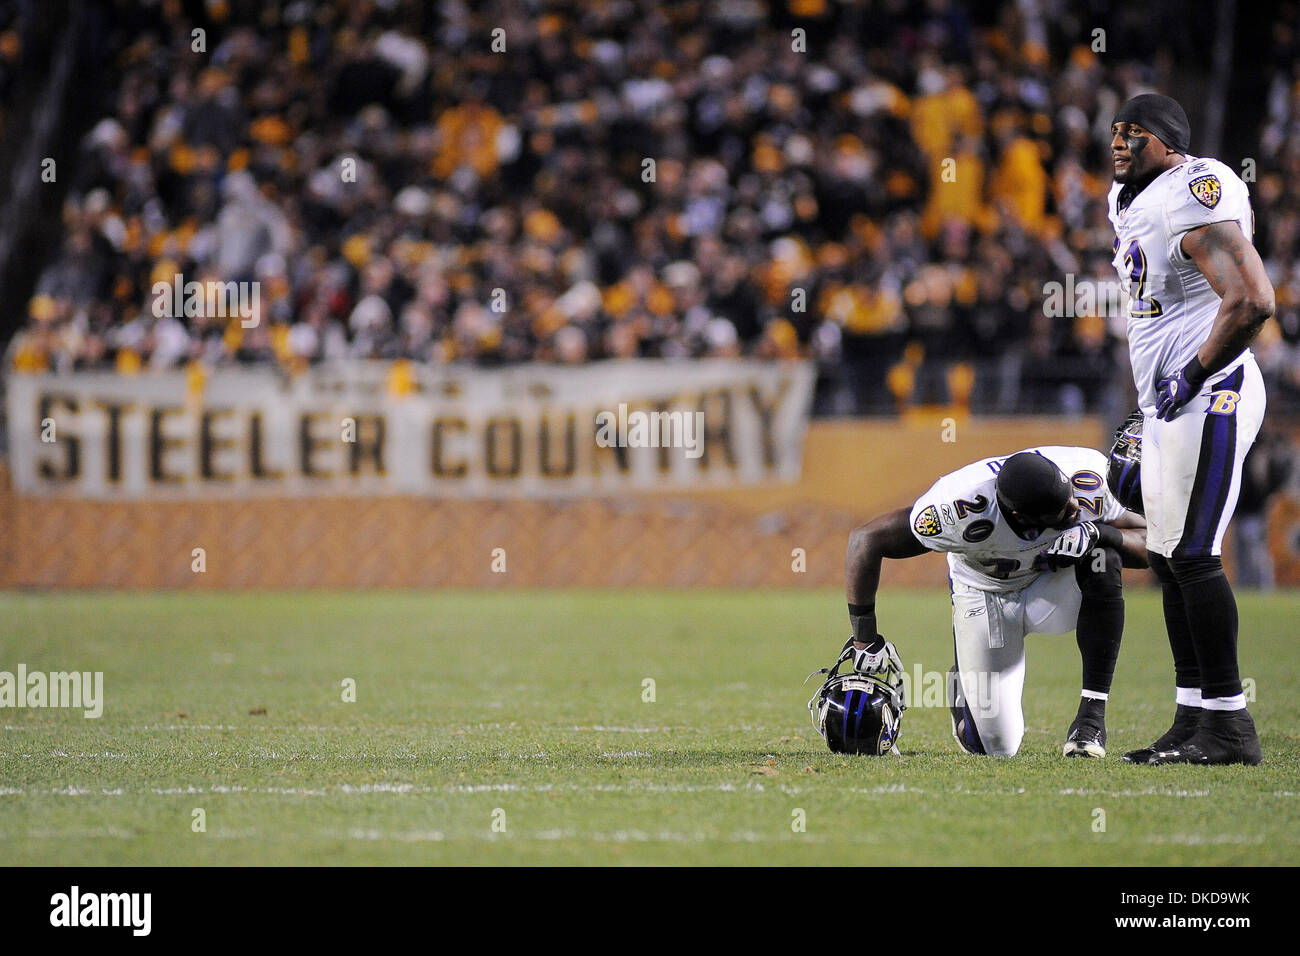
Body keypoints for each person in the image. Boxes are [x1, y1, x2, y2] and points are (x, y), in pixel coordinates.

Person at [1106, 93, 1275, 765]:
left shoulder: (1193, 190)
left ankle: (1231, 727)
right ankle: (1193, 718)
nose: (1119, 142)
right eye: (1116, 131)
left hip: (1215, 391)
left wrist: (1193, 373)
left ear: (1170, 143)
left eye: (1135, 133)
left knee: (1196, 555)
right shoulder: (1130, 199)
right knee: (1173, 558)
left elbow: (1253, 298)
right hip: (1173, 401)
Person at [843, 448, 1148, 757]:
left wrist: (1101, 533)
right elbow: (865, 540)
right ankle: (963, 682)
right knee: (995, 747)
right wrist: (864, 638)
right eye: (1060, 510)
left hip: (1053, 587)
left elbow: (1153, 545)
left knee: (1102, 558)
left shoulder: (1089, 477)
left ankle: (1091, 716)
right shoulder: (955, 509)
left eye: (1070, 498)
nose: (1073, 509)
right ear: (1020, 516)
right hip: (985, 593)